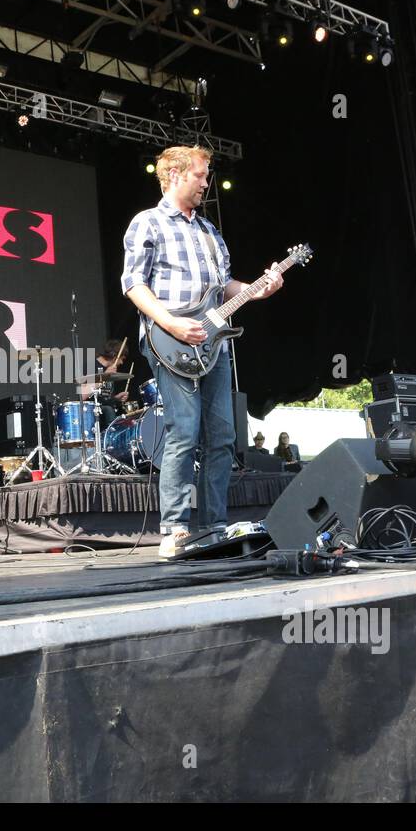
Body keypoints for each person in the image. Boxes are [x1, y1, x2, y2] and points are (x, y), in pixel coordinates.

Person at [121, 144, 284, 558]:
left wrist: (256, 290)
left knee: (224, 437)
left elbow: (223, 287)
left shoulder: (210, 232)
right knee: (183, 431)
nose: (206, 181)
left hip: (214, 343)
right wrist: (170, 322)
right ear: (175, 175)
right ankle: (173, 529)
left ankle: (213, 526)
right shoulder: (148, 223)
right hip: (171, 339)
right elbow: (133, 284)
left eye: (207, 174)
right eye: (200, 174)